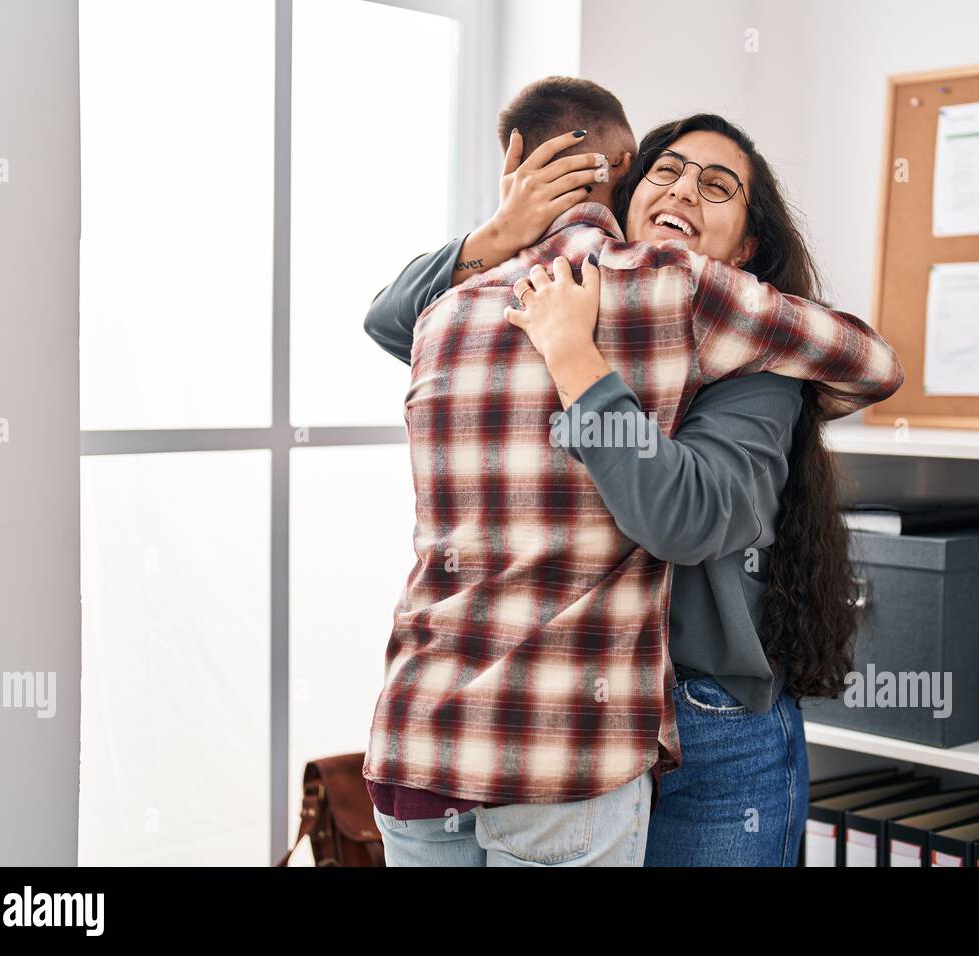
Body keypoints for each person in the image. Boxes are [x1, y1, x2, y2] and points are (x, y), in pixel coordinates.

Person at [361, 78, 903, 866]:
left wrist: (578, 360)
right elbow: (389, 320)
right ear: (622, 189)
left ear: (748, 251)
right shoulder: (557, 297)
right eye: (666, 172)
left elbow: (686, 516)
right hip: (571, 726)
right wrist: (500, 232)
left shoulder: (757, 365)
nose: (685, 187)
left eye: (717, 187)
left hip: (704, 719)